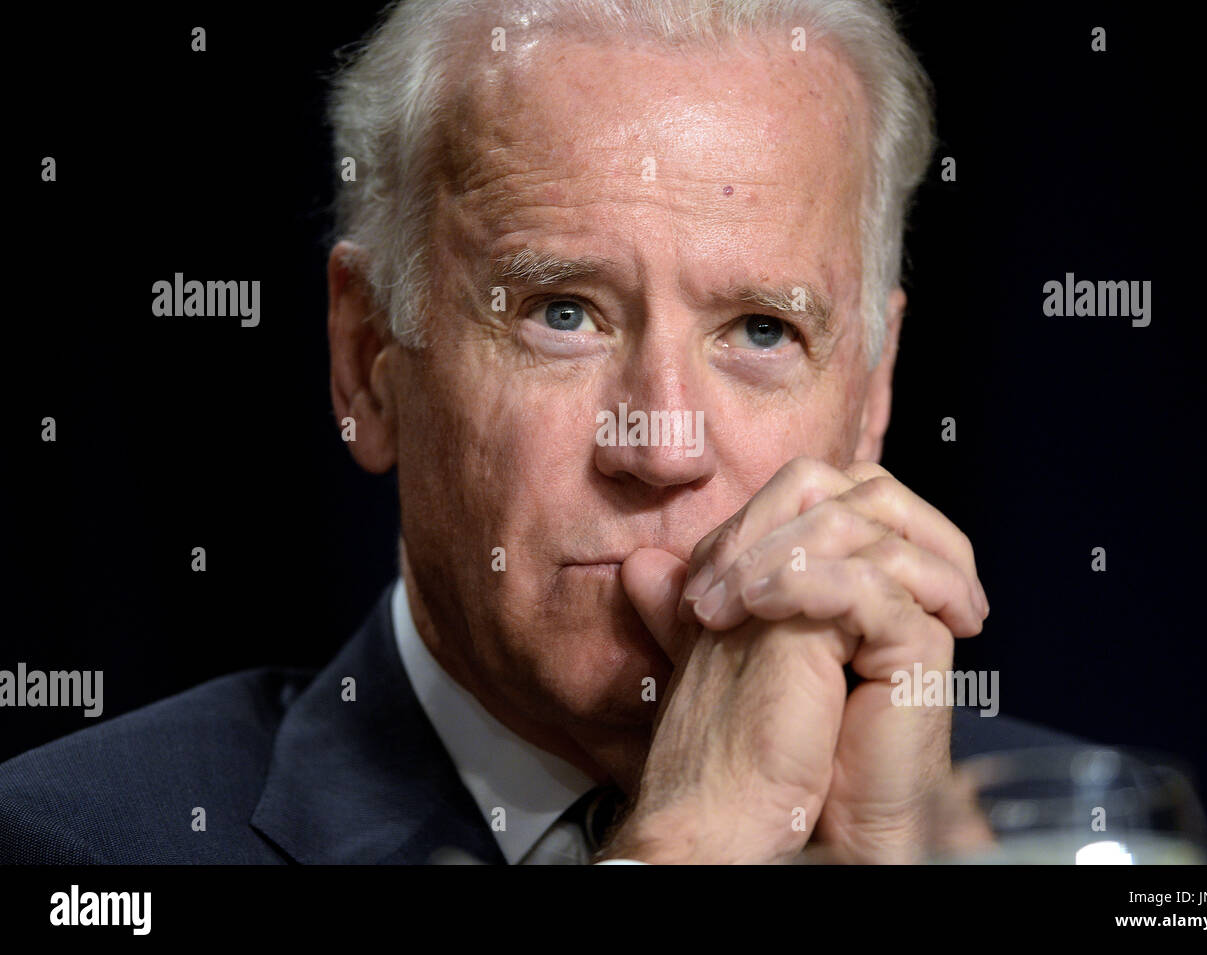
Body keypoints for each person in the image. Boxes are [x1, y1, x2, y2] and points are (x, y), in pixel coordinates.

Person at [0, 0, 1077, 865]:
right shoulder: (73, 849)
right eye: (562, 313)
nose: (660, 448)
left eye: (761, 328)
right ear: (367, 361)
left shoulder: (1080, 838)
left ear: (872, 392)